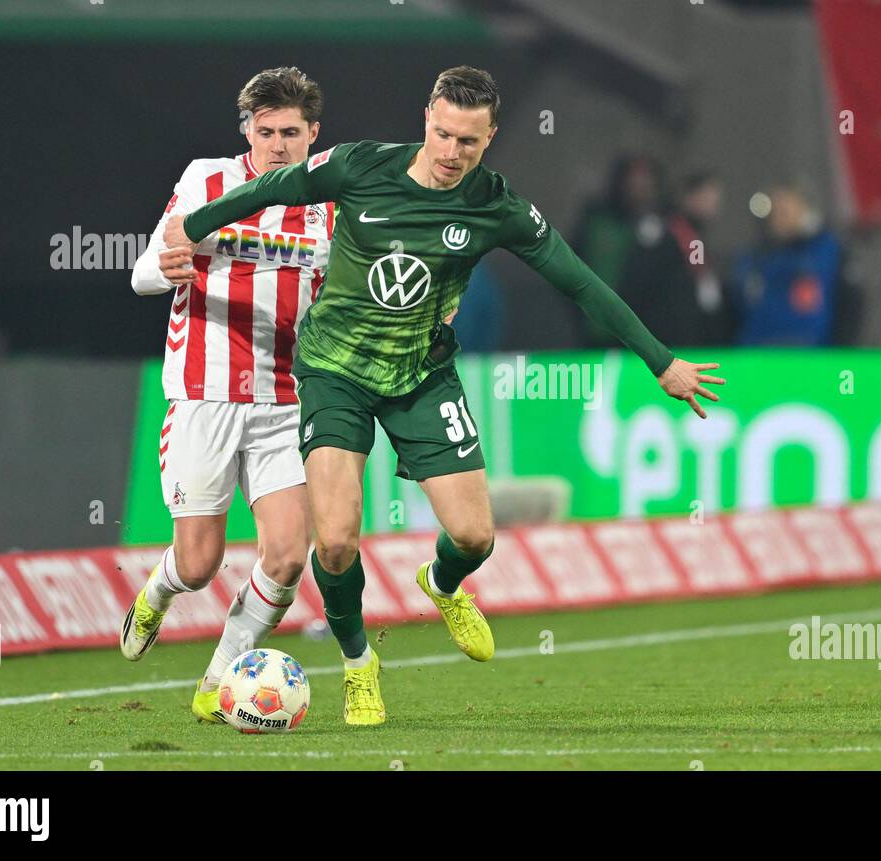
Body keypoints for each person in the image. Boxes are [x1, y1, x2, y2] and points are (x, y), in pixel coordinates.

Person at [163, 66, 724, 726]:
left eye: (469, 141)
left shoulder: (496, 206)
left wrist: (660, 361)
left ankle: (444, 582)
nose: (453, 152)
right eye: (443, 134)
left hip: (421, 376)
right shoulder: (360, 167)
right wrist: (191, 225)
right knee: (337, 541)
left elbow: (580, 282)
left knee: (474, 535)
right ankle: (357, 665)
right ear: (426, 119)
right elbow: (276, 185)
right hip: (334, 372)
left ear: (489, 138)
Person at [122, 67, 334, 724]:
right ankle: (157, 591)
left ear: (313, 134)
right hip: (203, 395)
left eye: (290, 133)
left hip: (285, 402)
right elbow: (142, 275)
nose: (276, 144)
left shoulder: (332, 200)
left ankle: (219, 677)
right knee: (199, 560)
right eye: (265, 131)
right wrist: (166, 265)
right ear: (247, 130)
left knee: (288, 552)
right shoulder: (204, 180)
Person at [616, 171, 731, 347]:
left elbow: (701, 278)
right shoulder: (662, 232)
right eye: (708, 198)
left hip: (689, 335)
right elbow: (639, 282)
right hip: (663, 334)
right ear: (689, 197)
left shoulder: (695, 237)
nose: (714, 206)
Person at [730, 185, 848, 346]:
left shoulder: (826, 250)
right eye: (775, 213)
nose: (779, 219)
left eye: (785, 211)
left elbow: (848, 303)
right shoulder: (754, 257)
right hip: (758, 350)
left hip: (810, 351)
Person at [571, 154, 666, 346]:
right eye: (634, 182)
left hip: (648, 335)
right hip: (598, 330)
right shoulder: (598, 225)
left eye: (646, 183)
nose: (639, 189)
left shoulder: (663, 227)